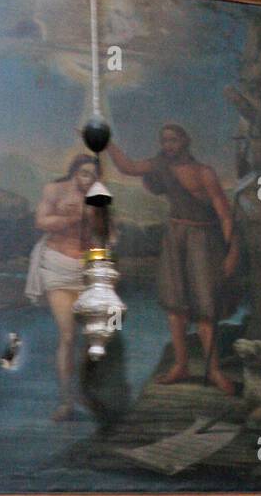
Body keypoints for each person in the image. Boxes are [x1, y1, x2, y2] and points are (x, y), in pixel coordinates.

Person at [108, 123, 239, 394]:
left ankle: (213, 370)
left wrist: (231, 252)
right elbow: (127, 167)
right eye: (164, 141)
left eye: (173, 140)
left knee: (205, 307)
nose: (168, 145)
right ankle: (181, 365)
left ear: (185, 141)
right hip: (175, 237)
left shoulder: (204, 172)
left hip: (204, 240)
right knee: (175, 306)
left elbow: (226, 215)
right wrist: (107, 141)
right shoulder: (160, 166)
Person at [26, 153, 99, 422]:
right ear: (74, 172)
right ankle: (67, 400)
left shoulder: (99, 196)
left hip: (87, 269)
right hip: (57, 266)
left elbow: (107, 235)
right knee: (68, 336)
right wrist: (70, 219)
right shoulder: (54, 190)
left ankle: (86, 393)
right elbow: (41, 222)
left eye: (93, 176)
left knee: (94, 338)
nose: (88, 180)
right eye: (84, 174)